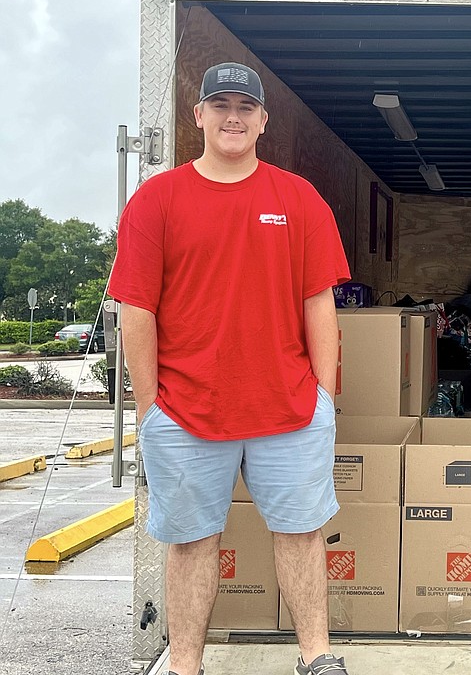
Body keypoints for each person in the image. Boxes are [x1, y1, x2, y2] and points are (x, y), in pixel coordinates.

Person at [109, 62, 352, 675]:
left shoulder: (298, 199)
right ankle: (185, 665)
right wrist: (148, 408)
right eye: (219, 104)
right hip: (185, 411)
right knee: (191, 544)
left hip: (290, 409)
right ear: (199, 116)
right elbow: (136, 310)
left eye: (246, 106)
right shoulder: (156, 201)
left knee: (301, 535)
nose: (232, 116)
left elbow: (317, 303)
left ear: (264, 120)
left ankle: (317, 656)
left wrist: (325, 397)